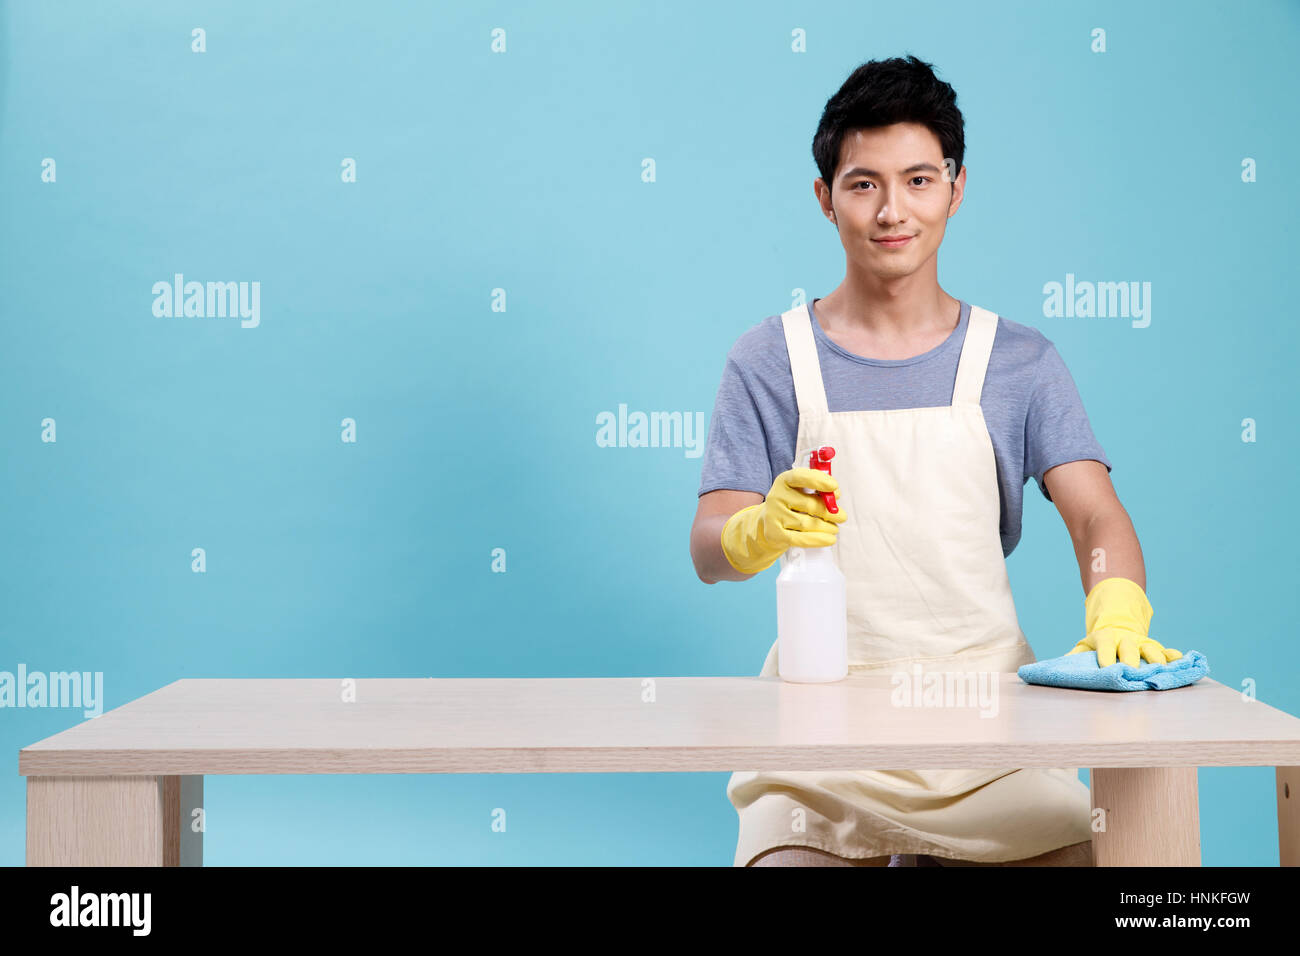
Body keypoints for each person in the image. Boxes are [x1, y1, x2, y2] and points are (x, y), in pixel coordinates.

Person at [688, 55, 1181, 868]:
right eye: (863, 184)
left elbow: (1095, 513)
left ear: (956, 188)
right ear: (825, 198)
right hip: (818, 747)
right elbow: (709, 549)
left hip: (989, 736)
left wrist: (1118, 608)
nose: (893, 211)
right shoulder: (769, 360)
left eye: (919, 180)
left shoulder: (1019, 360)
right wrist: (755, 529)